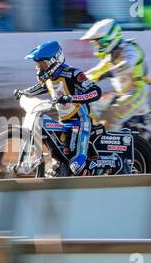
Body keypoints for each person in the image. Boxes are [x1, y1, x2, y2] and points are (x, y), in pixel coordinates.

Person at [20, 40, 102, 176]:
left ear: (54, 61)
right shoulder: (49, 79)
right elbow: (40, 88)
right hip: (63, 123)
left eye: (42, 64)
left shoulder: (73, 73)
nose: (40, 68)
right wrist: (24, 92)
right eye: (38, 65)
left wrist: (72, 98)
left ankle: (94, 171)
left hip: (81, 122)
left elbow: (96, 91)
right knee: (58, 162)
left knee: (77, 166)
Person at [80, 18, 151, 130]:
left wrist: (107, 73)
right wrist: (77, 79)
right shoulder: (110, 56)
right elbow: (96, 71)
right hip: (120, 94)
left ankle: (111, 144)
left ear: (111, 37)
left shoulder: (130, 49)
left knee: (111, 116)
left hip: (136, 92)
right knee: (93, 107)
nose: (98, 46)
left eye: (100, 42)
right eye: (96, 43)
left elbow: (127, 63)